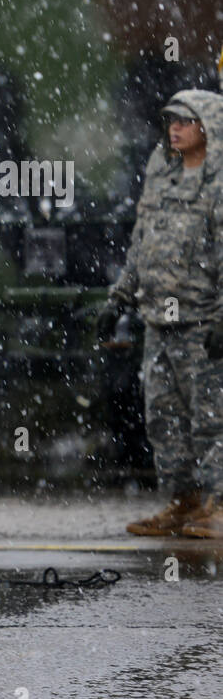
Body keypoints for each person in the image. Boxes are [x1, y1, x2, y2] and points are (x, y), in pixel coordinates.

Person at [100, 90, 223, 539]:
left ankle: (219, 504)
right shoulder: (162, 173)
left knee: (212, 418)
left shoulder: (218, 180)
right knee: (163, 418)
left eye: (185, 121)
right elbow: (142, 240)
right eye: (170, 120)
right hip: (160, 320)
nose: (174, 128)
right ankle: (184, 501)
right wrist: (120, 298)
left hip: (204, 320)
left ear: (207, 126)